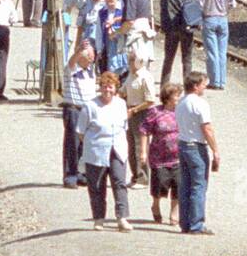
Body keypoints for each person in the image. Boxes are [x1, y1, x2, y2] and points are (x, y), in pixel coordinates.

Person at [78, 71, 132, 231]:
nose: (107, 90)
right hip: (96, 150)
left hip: (117, 148)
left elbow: (124, 127)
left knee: (119, 182)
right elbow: (80, 132)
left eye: (111, 87)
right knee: (96, 185)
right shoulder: (90, 106)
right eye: (104, 87)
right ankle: (99, 218)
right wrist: (92, 144)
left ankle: (122, 218)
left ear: (115, 88)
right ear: (99, 88)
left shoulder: (121, 104)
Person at [175, 71, 219, 235]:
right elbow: (207, 129)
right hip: (196, 147)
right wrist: (215, 150)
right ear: (195, 86)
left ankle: (185, 223)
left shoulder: (181, 102)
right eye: (203, 84)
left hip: (183, 145)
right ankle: (196, 224)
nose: (205, 87)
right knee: (199, 186)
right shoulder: (200, 104)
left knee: (185, 185)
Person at [141, 83, 182, 225]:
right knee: (160, 184)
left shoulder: (181, 111)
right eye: (176, 95)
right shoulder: (155, 112)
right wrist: (143, 153)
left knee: (178, 184)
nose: (179, 98)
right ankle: (156, 205)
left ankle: (174, 212)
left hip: (178, 156)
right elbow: (144, 131)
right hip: (159, 156)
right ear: (168, 97)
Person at [61, 41, 97, 188]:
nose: (91, 58)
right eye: (89, 55)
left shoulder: (91, 72)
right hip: (74, 109)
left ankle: (82, 174)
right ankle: (70, 175)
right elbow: (71, 62)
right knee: (72, 144)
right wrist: (78, 51)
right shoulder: (72, 70)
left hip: (87, 111)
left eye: (92, 56)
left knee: (85, 144)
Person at [198, 0, 236, 90]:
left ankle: (214, 81)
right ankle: (222, 81)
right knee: (222, 52)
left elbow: (200, 5)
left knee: (212, 52)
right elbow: (232, 3)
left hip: (209, 19)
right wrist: (225, 11)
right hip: (223, 19)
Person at [122, 56, 158, 187]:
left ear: (141, 62)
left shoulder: (145, 77)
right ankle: (135, 176)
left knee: (140, 147)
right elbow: (123, 92)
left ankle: (143, 178)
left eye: (133, 60)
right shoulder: (130, 75)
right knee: (131, 147)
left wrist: (135, 110)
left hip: (141, 113)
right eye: (129, 60)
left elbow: (150, 100)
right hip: (130, 112)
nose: (130, 62)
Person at [159, 0, 196, 85]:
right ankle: (188, 86)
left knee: (168, 59)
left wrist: (164, 28)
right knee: (187, 59)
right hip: (186, 28)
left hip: (171, 29)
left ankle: (164, 86)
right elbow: (193, 10)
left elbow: (163, 13)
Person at [115, 0, 155, 70]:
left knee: (136, 64)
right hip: (145, 32)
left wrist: (118, 32)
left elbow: (130, 21)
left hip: (137, 36)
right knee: (143, 64)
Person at [79, 0, 107, 65]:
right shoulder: (86, 4)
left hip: (101, 39)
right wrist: (77, 42)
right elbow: (80, 24)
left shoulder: (105, 4)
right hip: (87, 37)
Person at [102, 0, 128, 79]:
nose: (109, 4)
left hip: (121, 44)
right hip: (109, 44)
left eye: (111, 1)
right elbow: (99, 30)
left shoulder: (122, 11)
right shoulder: (103, 12)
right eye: (107, 2)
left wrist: (113, 29)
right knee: (112, 64)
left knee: (123, 65)